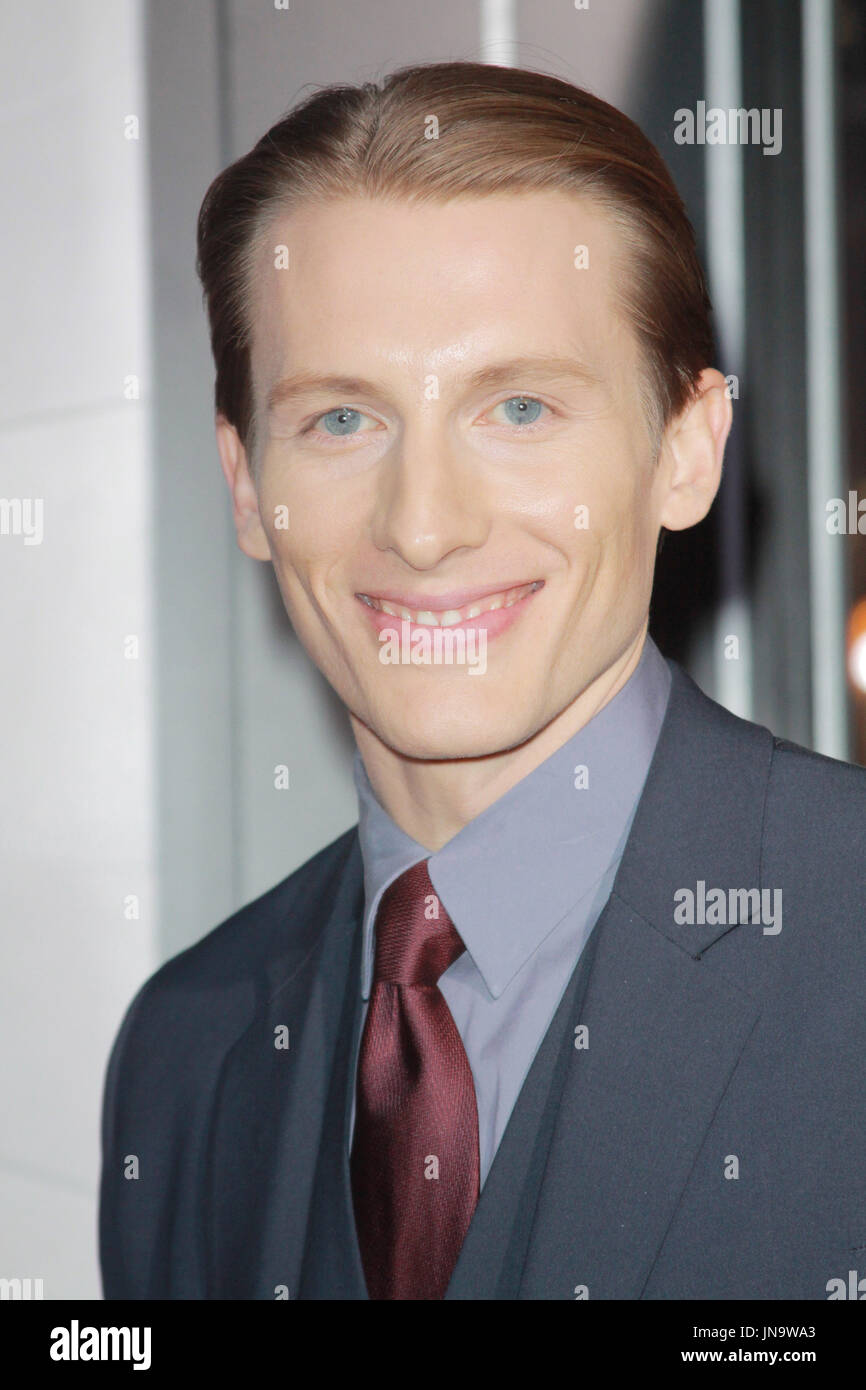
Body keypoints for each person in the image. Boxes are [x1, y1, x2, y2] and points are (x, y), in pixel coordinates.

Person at [99, 61, 866, 1301]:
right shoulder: (185, 1052)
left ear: (685, 449)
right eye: (341, 421)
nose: (422, 526)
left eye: (516, 406)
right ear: (247, 486)